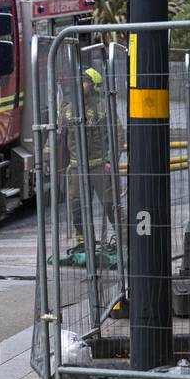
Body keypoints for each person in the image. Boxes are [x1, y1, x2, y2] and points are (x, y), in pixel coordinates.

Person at [58, 67, 119, 266]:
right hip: (76, 169)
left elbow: (118, 135)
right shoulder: (67, 110)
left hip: (100, 166)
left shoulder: (104, 108)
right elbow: (58, 140)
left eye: (85, 81)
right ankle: (84, 242)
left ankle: (123, 240)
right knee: (76, 208)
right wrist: (53, 164)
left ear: (93, 85)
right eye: (80, 80)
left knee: (111, 205)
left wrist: (110, 159)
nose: (81, 84)